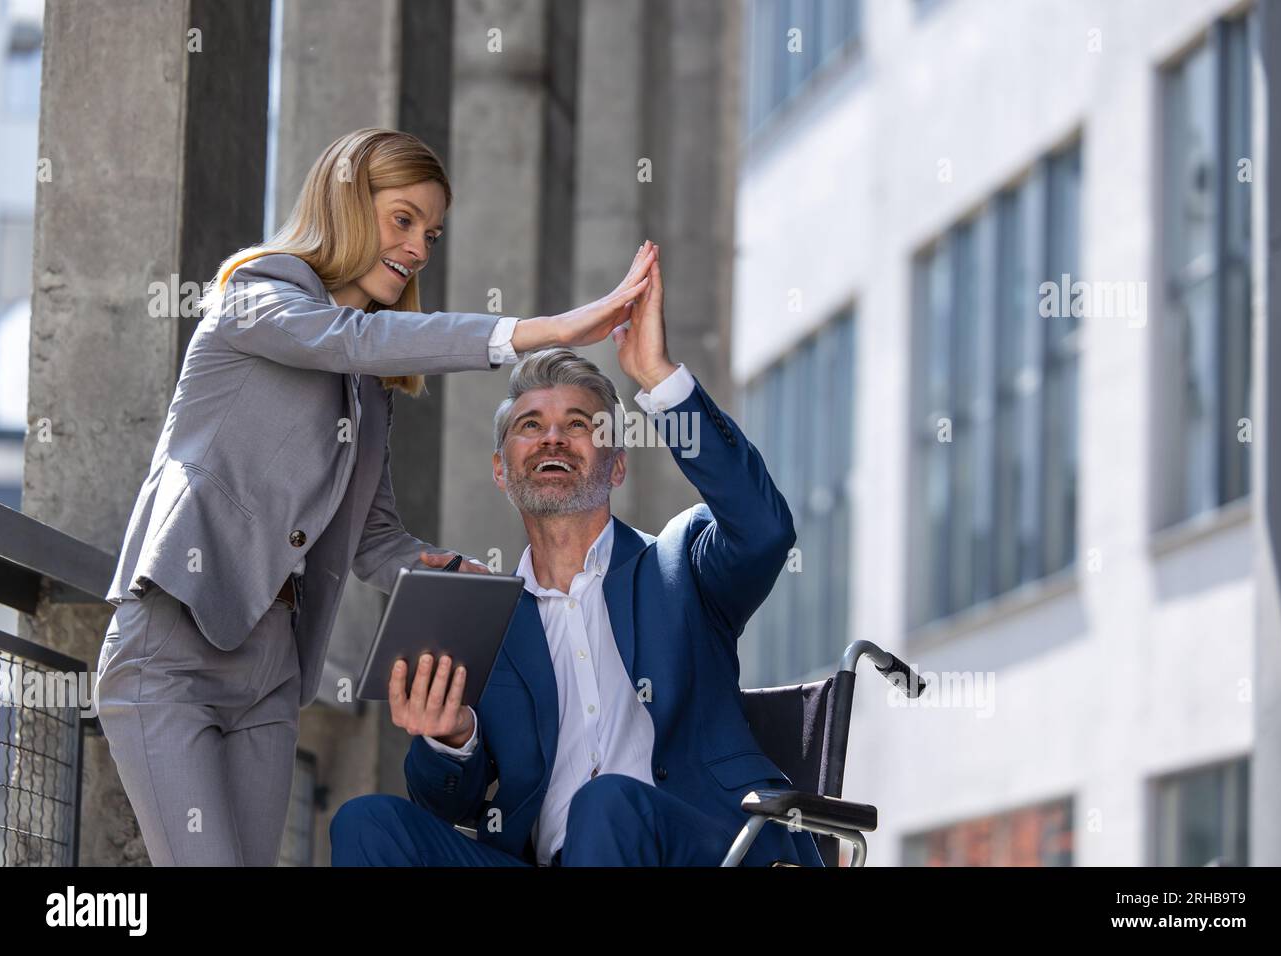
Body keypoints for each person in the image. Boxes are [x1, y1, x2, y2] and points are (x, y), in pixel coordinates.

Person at [95, 128, 657, 866]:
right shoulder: (256, 297)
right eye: (404, 220)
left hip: (271, 667)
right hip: (175, 640)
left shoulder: (368, 391)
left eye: (432, 231)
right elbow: (350, 338)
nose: (421, 247)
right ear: (346, 201)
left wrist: (449, 575)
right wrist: (540, 332)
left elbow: (372, 537)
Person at [329, 255, 823, 867]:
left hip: (702, 849)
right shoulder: (485, 620)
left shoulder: (683, 566)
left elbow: (765, 527)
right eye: (531, 425)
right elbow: (446, 804)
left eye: (579, 424)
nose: (553, 438)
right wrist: (450, 737)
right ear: (501, 472)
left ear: (617, 463)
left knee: (605, 804)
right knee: (368, 824)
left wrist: (660, 379)